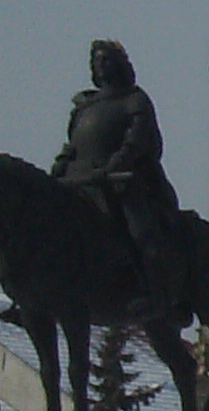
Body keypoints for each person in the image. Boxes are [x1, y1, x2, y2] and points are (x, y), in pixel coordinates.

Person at [51, 37, 183, 320]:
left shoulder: (134, 100)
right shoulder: (84, 105)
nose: (100, 66)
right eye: (96, 62)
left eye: (106, 60)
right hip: (79, 182)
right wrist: (61, 165)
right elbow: (72, 144)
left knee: (141, 232)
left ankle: (153, 292)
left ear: (121, 65)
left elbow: (136, 142)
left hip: (122, 183)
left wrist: (113, 167)